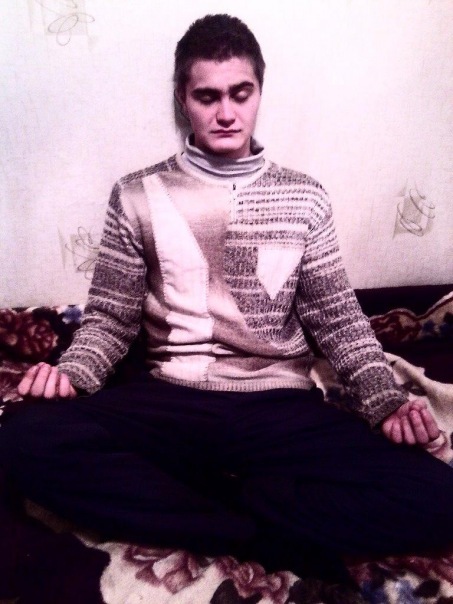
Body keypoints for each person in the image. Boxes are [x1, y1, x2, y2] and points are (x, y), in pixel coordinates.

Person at [2, 13, 453, 594]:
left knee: (439, 497)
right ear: (183, 100)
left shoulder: (304, 196)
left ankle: (214, 502)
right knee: (22, 439)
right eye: (207, 96)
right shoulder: (137, 194)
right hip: (174, 400)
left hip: (277, 405)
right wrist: (72, 374)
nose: (226, 113)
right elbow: (110, 318)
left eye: (241, 93)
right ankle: (247, 528)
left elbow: (337, 319)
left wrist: (384, 400)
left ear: (259, 92)